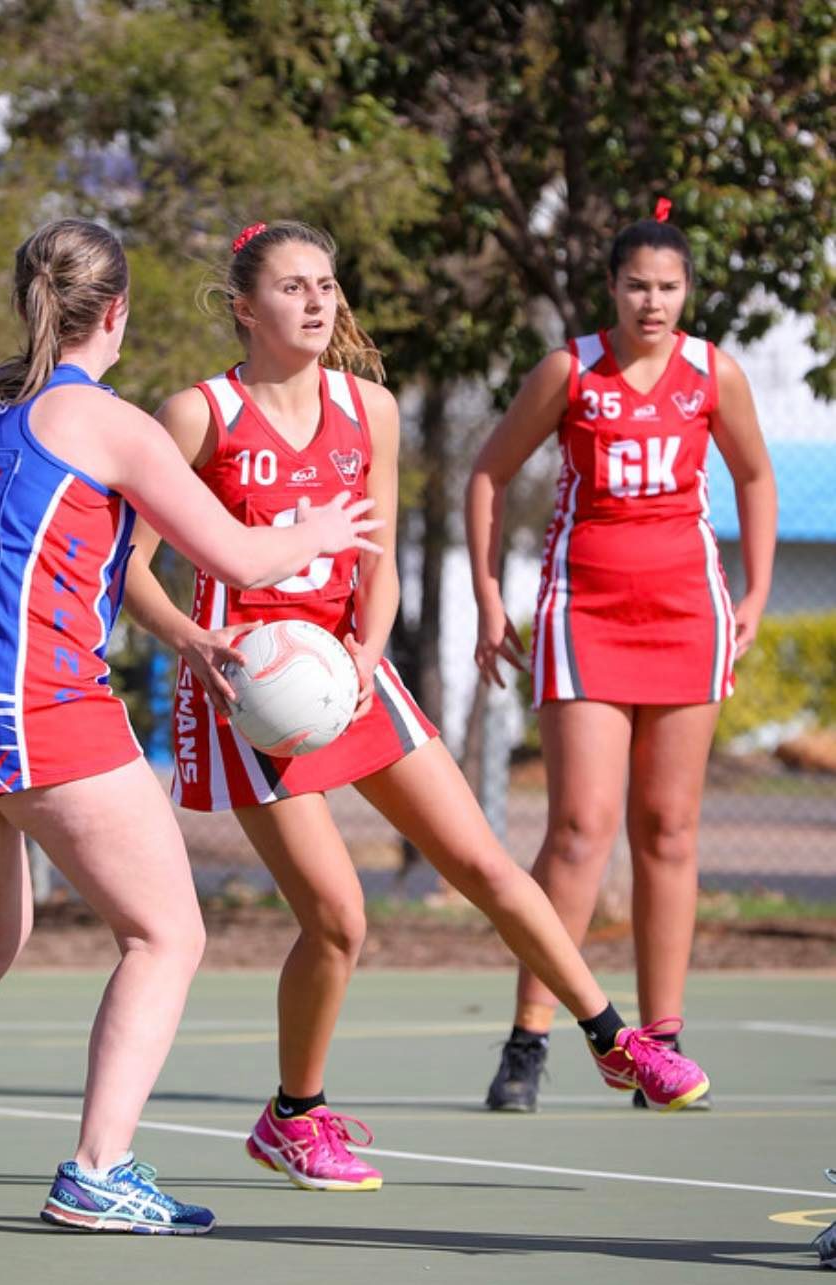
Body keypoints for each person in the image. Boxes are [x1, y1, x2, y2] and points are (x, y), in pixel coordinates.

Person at [0, 217, 383, 1235]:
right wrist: (327, 525)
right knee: (167, 934)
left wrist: (189, 640)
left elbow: (65, 546)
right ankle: (97, 1168)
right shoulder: (109, 423)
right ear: (116, 311)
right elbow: (245, 560)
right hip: (35, 701)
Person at [123, 218, 712, 1193]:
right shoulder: (200, 416)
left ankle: (616, 1041)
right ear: (244, 309)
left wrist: (366, 645)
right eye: (293, 287)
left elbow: (379, 564)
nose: (317, 302)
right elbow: (129, 571)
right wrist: (196, 641)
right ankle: (294, 1118)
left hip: (347, 666)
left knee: (483, 860)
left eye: (327, 284)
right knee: (340, 918)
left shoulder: (372, 412)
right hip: (246, 686)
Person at [466, 202, 777, 1113]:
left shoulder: (711, 372)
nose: (652, 301)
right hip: (584, 614)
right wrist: (490, 597)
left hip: (687, 613)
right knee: (577, 829)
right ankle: (528, 1038)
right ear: (610, 288)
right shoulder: (570, 370)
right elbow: (487, 472)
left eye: (668, 286)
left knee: (668, 829)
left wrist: (754, 592)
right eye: (636, 284)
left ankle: (662, 1040)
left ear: (686, 292)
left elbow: (754, 476)